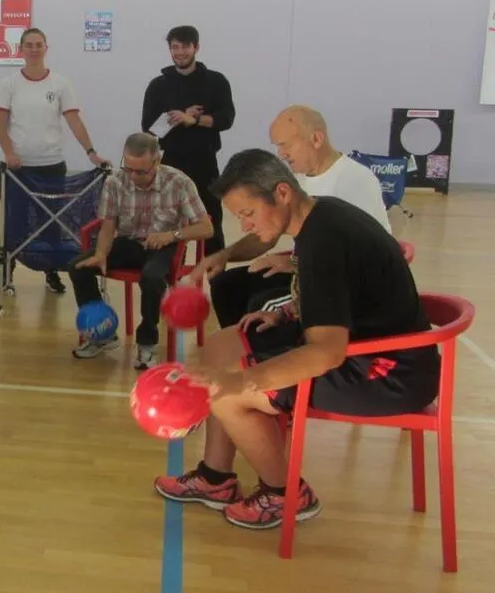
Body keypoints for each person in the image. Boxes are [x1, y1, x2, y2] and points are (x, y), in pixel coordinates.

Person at [153, 148, 439, 530]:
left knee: (226, 394)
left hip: (387, 372)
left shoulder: (326, 240)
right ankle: (216, 478)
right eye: (240, 216)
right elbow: (347, 298)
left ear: (283, 193)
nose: (246, 225)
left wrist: (243, 381)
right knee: (221, 348)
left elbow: (326, 352)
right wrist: (285, 313)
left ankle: (284, 492)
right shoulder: (319, 217)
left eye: (249, 213)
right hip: (364, 344)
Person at [197, 105, 393, 329]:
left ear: (316, 139)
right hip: (306, 268)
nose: (281, 154)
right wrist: (225, 255)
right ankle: (245, 351)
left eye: (285, 145)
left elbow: (363, 256)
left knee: (263, 305)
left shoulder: (355, 180)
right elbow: (267, 233)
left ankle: (267, 352)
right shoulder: (296, 179)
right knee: (227, 284)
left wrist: (293, 262)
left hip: (338, 283)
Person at [69, 132, 212, 369]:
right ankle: (103, 333)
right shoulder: (115, 181)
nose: (134, 177)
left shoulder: (179, 183)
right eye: (129, 169)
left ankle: (147, 342)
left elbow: (206, 227)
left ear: (157, 161)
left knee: (152, 277)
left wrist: (171, 235)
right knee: (78, 267)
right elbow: (108, 225)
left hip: (165, 247)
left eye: (141, 171)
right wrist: (102, 253)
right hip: (128, 243)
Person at [0, 27, 110, 296]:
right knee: (14, 223)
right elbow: (0, 124)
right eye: (29, 44)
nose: (34, 49)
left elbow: (73, 121)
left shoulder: (60, 84)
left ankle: (52, 272)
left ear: (46, 48)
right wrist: (10, 153)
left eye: (39, 44)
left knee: (51, 223)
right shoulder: (8, 84)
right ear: (20, 49)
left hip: (52, 166)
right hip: (16, 170)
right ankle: (7, 270)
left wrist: (91, 152)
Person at [141, 25, 235, 257]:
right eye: (175, 47)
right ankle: (173, 283)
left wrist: (196, 120)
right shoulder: (158, 85)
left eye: (185, 46)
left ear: (196, 48)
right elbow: (148, 128)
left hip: (206, 163)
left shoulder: (216, 81)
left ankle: (217, 282)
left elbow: (226, 119)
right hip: (171, 163)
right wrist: (179, 117)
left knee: (212, 222)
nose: (180, 52)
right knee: (170, 224)